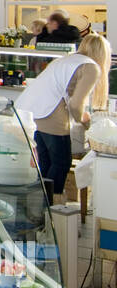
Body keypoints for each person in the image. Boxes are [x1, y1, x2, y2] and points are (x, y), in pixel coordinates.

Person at [15, 33, 111, 198]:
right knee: (61, 163)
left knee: (45, 164)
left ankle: (39, 207)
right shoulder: (91, 67)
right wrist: (84, 120)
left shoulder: (67, 59)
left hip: (32, 112)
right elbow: (75, 104)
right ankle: (53, 206)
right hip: (51, 115)